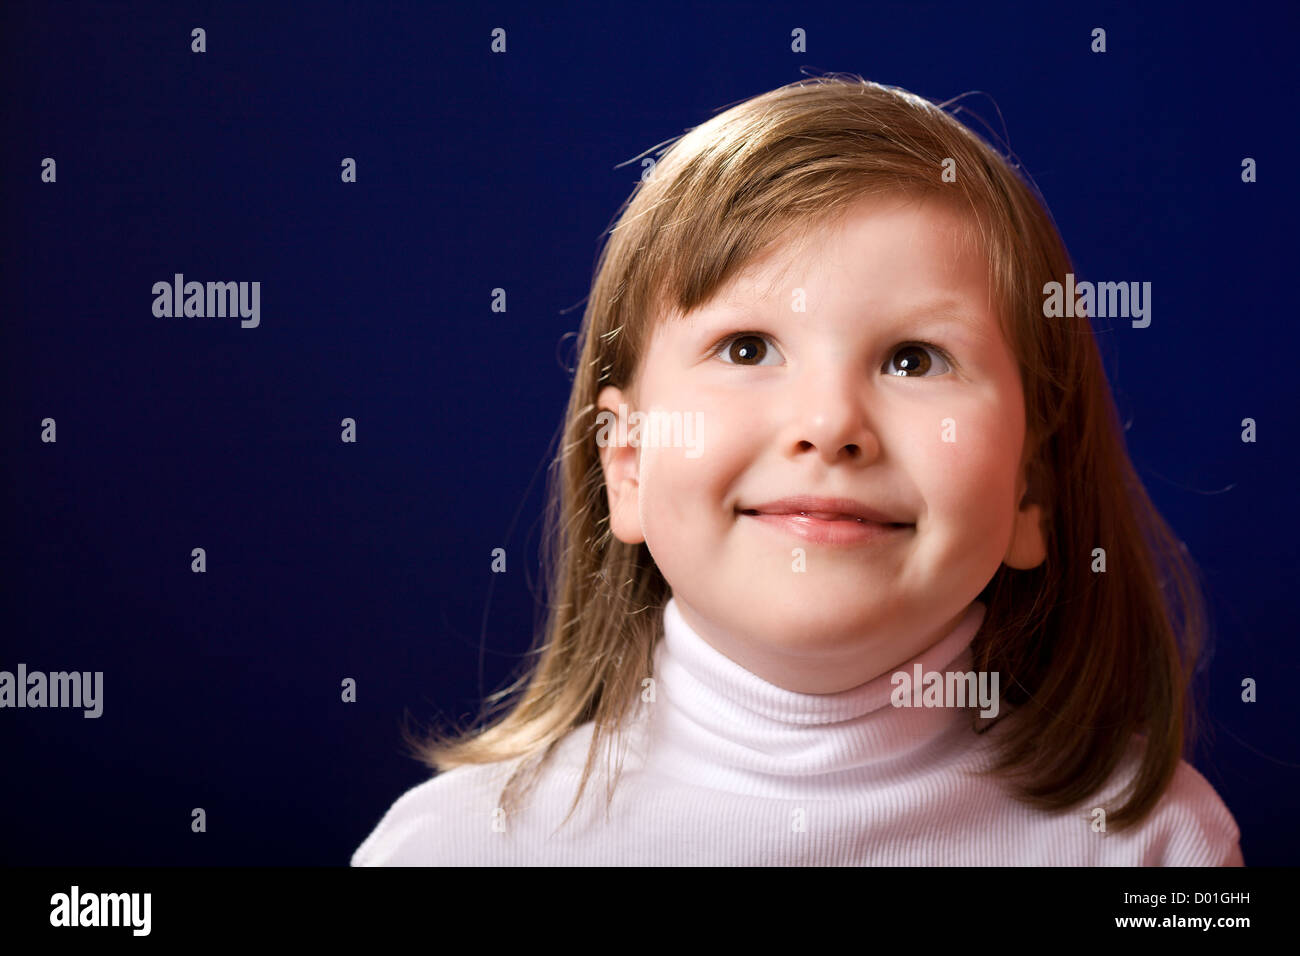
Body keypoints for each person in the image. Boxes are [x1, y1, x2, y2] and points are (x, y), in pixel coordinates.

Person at [353, 74, 1243, 865]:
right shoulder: (450, 849)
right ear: (625, 462)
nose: (829, 426)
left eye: (915, 360)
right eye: (746, 347)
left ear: (1029, 491)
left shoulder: (1160, 849)